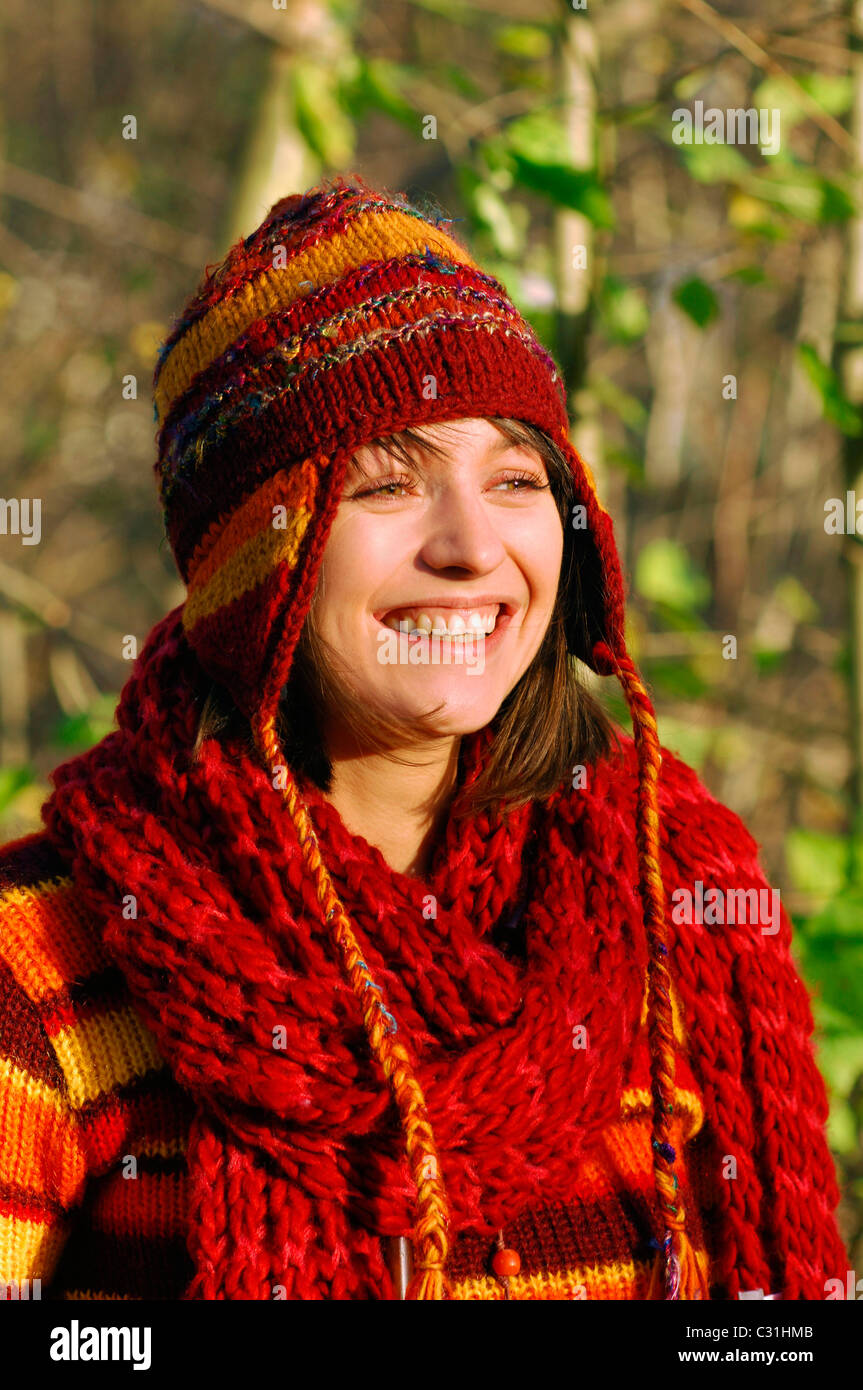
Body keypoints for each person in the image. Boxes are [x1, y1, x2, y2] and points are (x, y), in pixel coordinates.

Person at [0, 173, 850, 1301]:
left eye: (514, 478)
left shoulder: (671, 913)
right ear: (250, 567)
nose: (471, 546)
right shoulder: (44, 968)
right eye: (386, 483)